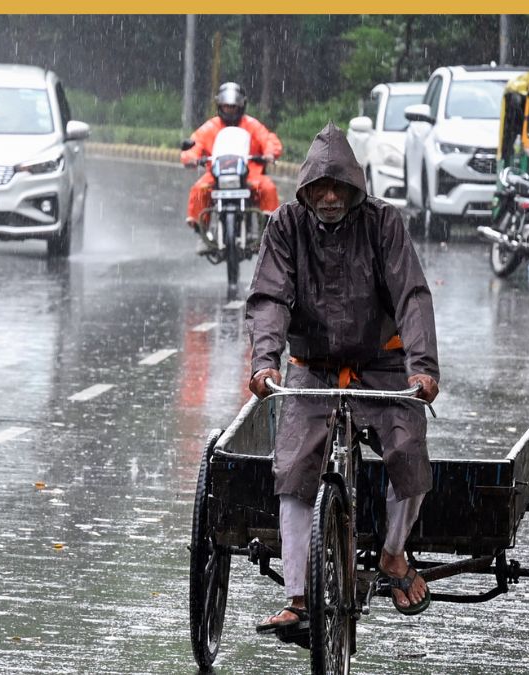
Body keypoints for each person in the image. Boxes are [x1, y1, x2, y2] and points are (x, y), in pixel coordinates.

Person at [244, 123, 440, 632]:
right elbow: (269, 299)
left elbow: (411, 296)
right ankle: (300, 597)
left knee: (407, 450)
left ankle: (394, 555)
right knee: (293, 469)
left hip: (382, 368)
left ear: (355, 189)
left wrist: (422, 370)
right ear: (305, 190)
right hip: (313, 371)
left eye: (339, 188)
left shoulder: (383, 224)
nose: (329, 197)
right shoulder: (287, 225)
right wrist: (265, 362)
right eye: (319, 189)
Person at [181, 82, 283, 250]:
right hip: (217, 173)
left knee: (268, 188)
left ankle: (267, 231)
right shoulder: (210, 127)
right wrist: (190, 157)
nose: (230, 110)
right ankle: (202, 231)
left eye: (233, 107)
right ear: (220, 106)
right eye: (226, 107)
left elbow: (268, 140)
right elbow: (195, 144)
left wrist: (270, 153)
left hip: (249, 171)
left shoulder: (252, 125)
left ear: (241, 106)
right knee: (199, 189)